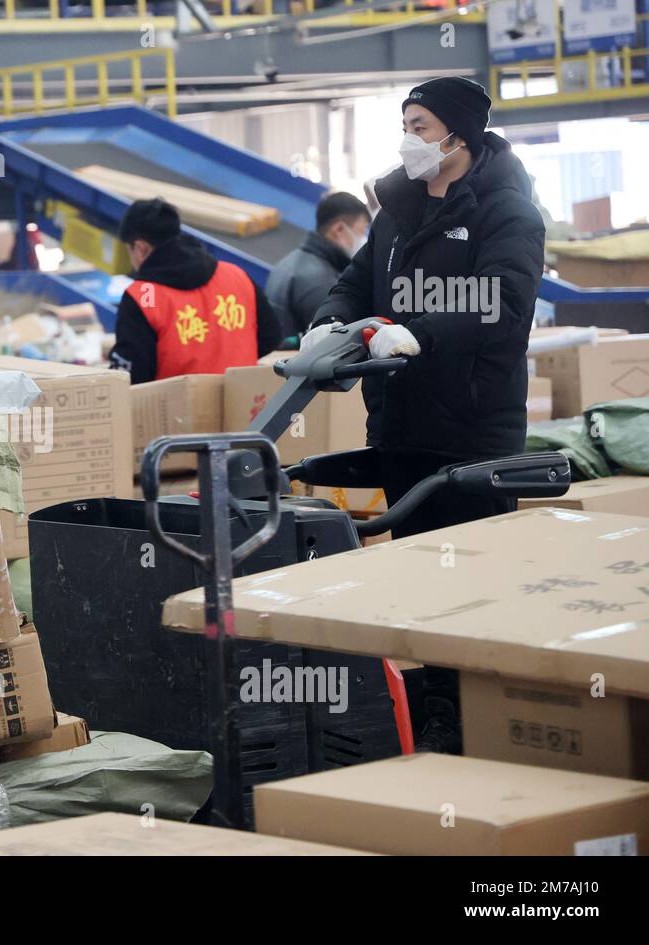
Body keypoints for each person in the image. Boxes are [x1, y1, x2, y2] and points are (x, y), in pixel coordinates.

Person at [300, 76, 545, 753]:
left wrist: (422, 333)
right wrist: (327, 324)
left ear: (459, 134)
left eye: (421, 125)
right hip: (400, 424)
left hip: (470, 435)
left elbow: (502, 300)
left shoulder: (507, 210)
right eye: (405, 123)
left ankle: (474, 722)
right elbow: (355, 285)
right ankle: (433, 710)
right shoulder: (398, 208)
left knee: (469, 582)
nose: (411, 138)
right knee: (418, 578)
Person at [109, 198, 284, 384]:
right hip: (241, 402)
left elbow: (133, 373)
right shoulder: (235, 275)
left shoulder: (145, 296)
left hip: (174, 409)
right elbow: (271, 336)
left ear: (140, 248)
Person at [266, 192, 371, 343]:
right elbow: (328, 344)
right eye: (362, 230)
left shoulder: (289, 262)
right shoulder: (321, 282)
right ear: (339, 229)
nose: (363, 239)